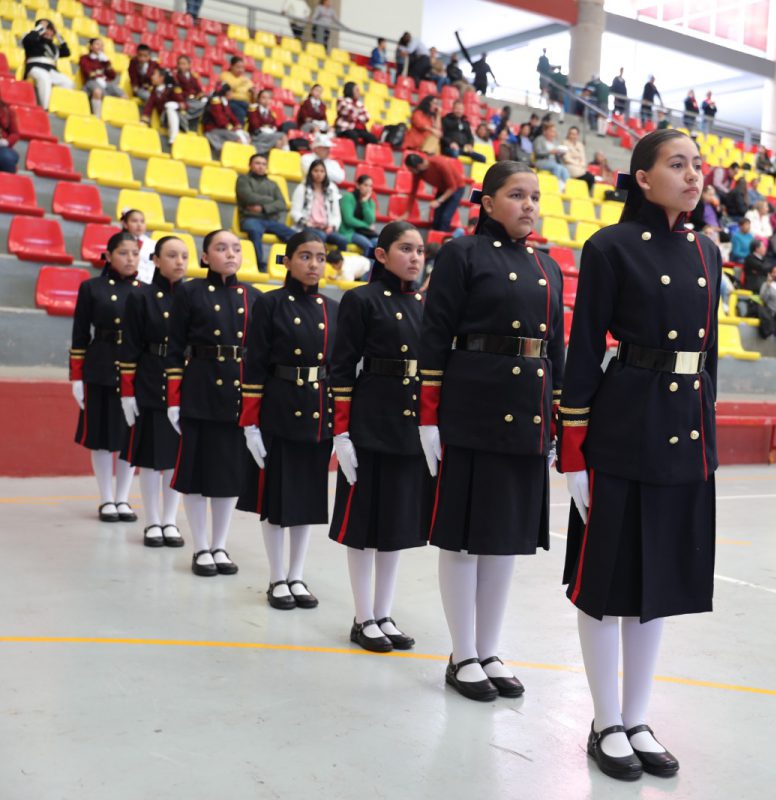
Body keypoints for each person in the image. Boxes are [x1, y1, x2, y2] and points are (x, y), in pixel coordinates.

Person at [558, 130, 718, 782]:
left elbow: (711, 359)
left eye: (697, 165)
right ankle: (605, 721)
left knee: (657, 583)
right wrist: (571, 453)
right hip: (623, 423)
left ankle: (639, 715)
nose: (692, 174)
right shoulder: (609, 247)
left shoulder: (708, 251)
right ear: (643, 178)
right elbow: (583, 347)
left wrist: (707, 439)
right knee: (607, 583)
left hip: (683, 428)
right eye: (677, 164)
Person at [418, 161, 565, 703]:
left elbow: (558, 352)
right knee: (463, 537)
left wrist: (556, 421)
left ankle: (489, 646)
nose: (529, 205)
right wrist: (428, 417)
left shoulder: (547, 266)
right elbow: (434, 338)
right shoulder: (461, 254)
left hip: (526, 411)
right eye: (517, 195)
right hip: (473, 406)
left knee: (504, 538)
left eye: (534, 196)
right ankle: (462, 653)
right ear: (487, 201)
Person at [329, 221, 431, 651]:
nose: (414, 257)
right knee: (364, 525)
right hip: (370, 424)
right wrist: (341, 433)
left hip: (409, 430)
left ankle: (384, 612)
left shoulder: (427, 306)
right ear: (382, 255)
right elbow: (340, 368)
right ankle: (362, 616)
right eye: (405, 249)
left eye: (420, 251)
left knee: (396, 526)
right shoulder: (360, 300)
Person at [237, 231, 337, 610]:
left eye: (320, 257)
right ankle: (277, 576)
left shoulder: (333, 308)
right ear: (288, 261)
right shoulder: (269, 304)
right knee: (278, 500)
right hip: (279, 406)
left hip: (317, 410)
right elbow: (254, 363)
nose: (314, 265)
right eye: (306, 257)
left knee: (307, 501)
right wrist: (250, 422)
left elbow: (337, 367)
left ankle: (297, 575)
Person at [166, 230, 263, 577]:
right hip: (200, 389)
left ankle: (219, 544)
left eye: (236, 248)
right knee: (195, 473)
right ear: (205, 256)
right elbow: (175, 347)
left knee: (227, 474)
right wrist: (173, 398)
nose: (230, 254)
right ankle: (200, 546)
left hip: (236, 395)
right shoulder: (190, 292)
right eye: (221, 248)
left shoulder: (253, 296)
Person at [119, 236, 187, 547]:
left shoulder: (192, 296)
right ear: (156, 259)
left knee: (176, 456)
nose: (179, 262)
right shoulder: (141, 297)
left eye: (184, 256)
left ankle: (170, 519)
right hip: (149, 375)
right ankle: (152, 521)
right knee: (150, 456)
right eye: (171, 255)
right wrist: (127, 390)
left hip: (186, 379)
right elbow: (129, 345)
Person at [71, 232, 141, 525]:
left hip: (136, 370)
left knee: (129, 437)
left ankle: (123, 497)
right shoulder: (92, 288)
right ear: (109, 255)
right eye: (124, 253)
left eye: (135, 253)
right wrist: (76, 376)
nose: (130, 259)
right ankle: (106, 497)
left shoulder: (145, 291)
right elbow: (79, 333)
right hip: (100, 364)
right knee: (101, 436)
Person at [237, 153, 299, 271]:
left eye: (264, 164)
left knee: (295, 237)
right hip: (250, 218)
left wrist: (263, 208)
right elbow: (248, 197)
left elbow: (282, 204)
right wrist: (271, 200)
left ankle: (288, 265)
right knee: (255, 230)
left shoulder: (273, 184)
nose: (261, 166)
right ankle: (259, 265)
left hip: (270, 220)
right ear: (250, 165)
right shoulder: (243, 179)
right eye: (257, 163)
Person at [291, 159, 350, 254]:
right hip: (307, 226)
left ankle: (337, 264)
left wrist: (332, 227)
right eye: (316, 171)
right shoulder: (302, 188)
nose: (319, 174)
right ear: (310, 172)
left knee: (342, 240)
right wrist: (306, 223)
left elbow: (336, 215)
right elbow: (295, 212)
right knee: (321, 236)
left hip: (326, 228)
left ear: (325, 173)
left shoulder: (330, 192)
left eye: (322, 171)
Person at [404, 152, 469, 233]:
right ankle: (433, 241)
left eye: (411, 170)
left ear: (417, 166)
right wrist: (407, 213)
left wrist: (439, 201)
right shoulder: (417, 172)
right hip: (442, 189)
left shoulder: (439, 163)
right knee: (436, 218)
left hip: (457, 188)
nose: (411, 172)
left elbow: (452, 187)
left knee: (445, 218)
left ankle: (441, 242)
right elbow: (413, 193)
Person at [23, 20, 73, 109]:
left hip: (50, 70)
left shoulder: (53, 47)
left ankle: (57, 107)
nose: (49, 32)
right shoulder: (33, 39)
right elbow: (28, 40)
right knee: (44, 77)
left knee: (67, 82)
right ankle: (45, 108)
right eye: (46, 29)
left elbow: (66, 52)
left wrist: (57, 35)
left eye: (51, 30)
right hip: (34, 67)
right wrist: (40, 28)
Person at [80, 38, 126, 116]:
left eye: (102, 45)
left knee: (123, 95)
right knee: (97, 91)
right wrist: (98, 72)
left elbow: (113, 75)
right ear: (91, 47)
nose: (100, 47)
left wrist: (107, 63)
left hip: (105, 82)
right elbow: (88, 73)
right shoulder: (85, 58)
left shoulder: (104, 60)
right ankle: (97, 116)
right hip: (92, 81)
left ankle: (117, 116)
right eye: (97, 44)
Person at [202, 84, 252, 157]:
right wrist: (231, 128)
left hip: (223, 128)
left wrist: (237, 125)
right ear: (227, 92)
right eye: (231, 91)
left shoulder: (225, 102)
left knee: (246, 136)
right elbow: (220, 119)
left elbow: (231, 116)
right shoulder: (216, 102)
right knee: (236, 137)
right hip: (213, 129)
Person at [140, 68, 184, 144]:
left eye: (154, 75)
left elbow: (184, 105)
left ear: (161, 78)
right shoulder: (155, 90)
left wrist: (176, 105)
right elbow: (149, 105)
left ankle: (174, 137)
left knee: (170, 106)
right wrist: (144, 120)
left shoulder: (172, 89)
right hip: (164, 119)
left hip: (179, 120)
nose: (152, 77)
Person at [339, 173, 379, 254]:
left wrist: (364, 203)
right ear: (357, 185)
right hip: (350, 231)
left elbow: (370, 220)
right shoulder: (348, 198)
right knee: (368, 245)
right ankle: (367, 266)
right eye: (365, 185)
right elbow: (348, 219)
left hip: (364, 232)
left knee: (378, 243)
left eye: (370, 186)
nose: (368, 188)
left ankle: (372, 266)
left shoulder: (370, 202)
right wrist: (366, 225)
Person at [119, 208, 156, 283]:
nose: (139, 225)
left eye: (142, 221)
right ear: (125, 224)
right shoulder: (119, 242)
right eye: (134, 221)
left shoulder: (153, 244)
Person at [172, 55, 207, 132]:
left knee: (207, 103)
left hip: (194, 99)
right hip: (184, 99)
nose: (181, 66)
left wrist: (200, 94)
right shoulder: (176, 76)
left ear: (189, 65)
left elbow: (199, 89)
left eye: (184, 64)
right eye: (180, 64)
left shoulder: (193, 76)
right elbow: (177, 91)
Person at [533, 121, 570, 192]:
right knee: (558, 167)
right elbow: (537, 153)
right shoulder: (539, 139)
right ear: (545, 131)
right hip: (542, 161)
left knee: (564, 169)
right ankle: (556, 188)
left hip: (553, 162)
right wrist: (550, 152)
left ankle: (566, 188)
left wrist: (561, 154)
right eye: (551, 131)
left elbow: (557, 156)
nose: (553, 133)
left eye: (554, 131)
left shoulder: (555, 142)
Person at [0, 97, 18, 173]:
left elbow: (15, 134)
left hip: (2, 149)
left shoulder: (8, 111)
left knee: (6, 158)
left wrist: (7, 141)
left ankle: (9, 183)